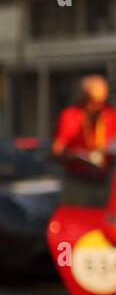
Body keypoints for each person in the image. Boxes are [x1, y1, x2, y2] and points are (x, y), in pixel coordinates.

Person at [53, 74, 116, 207]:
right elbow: (58, 150)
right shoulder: (70, 116)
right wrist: (73, 155)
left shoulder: (111, 115)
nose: (99, 107)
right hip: (77, 181)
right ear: (84, 99)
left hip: (104, 181)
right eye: (94, 102)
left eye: (102, 102)